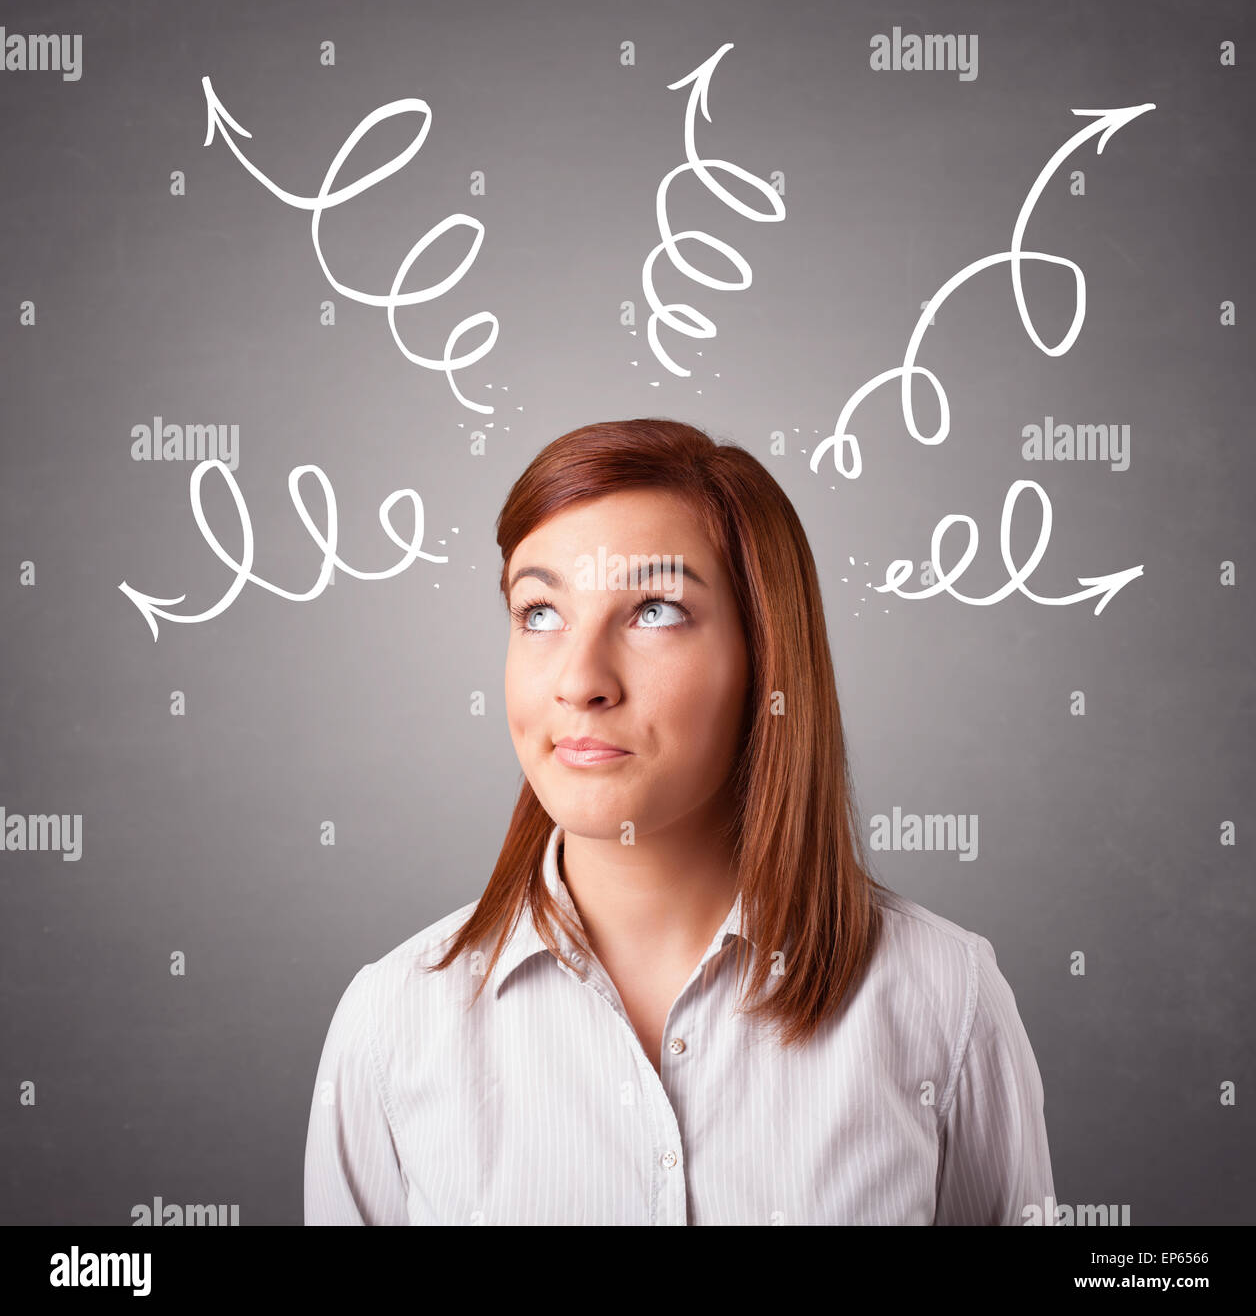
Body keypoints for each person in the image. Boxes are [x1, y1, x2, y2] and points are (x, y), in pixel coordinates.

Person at [304, 417, 1055, 1225]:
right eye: (540, 612)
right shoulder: (390, 1021)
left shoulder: (945, 997)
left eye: (655, 610)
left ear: (765, 659)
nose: (580, 681)